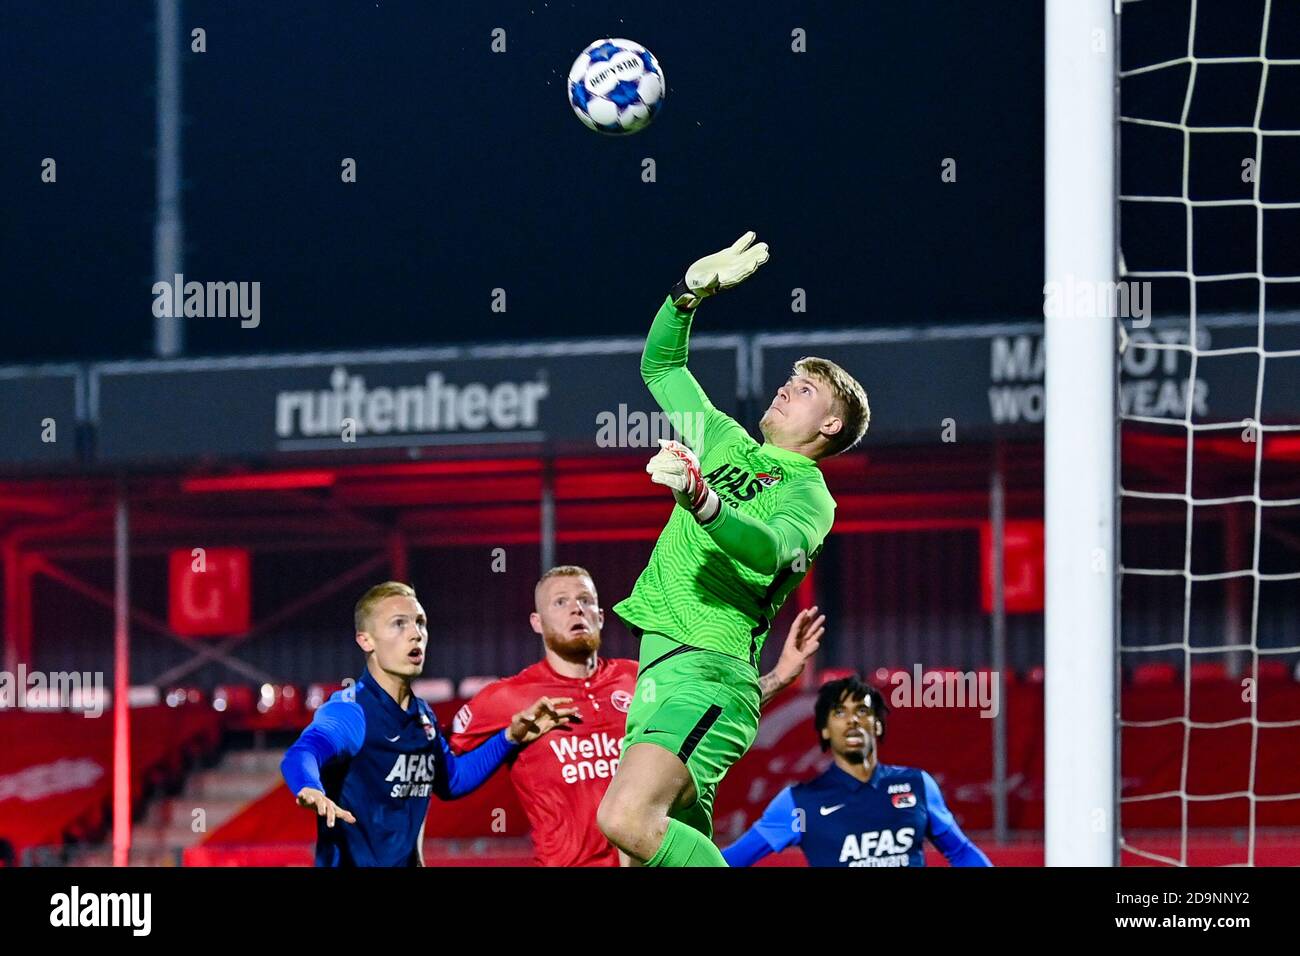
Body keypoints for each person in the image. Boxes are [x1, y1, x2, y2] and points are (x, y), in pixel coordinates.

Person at [597, 232, 870, 866]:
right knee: (642, 854)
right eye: (789, 380)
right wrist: (686, 294)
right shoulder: (722, 440)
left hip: (708, 673)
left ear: (829, 426)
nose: (785, 389)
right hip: (659, 672)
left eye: (805, 391)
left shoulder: (811, 493)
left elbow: (773, 551)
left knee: (624, 817)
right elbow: (661, 368)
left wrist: (702, 501)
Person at [450, 564, 827, 866]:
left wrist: (780, 674)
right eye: (560, 602)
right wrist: (508, 738)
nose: (575, 609)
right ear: (537, 622)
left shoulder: (640, 677)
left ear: (601, 614)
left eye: (585, 600)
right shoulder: (506, 697)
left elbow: (714, 708)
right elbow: (449, 777)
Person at [280, 580, 576, 866]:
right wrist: (309, 787)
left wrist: (510, 737)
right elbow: (303, 752)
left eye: (420, 622)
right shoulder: (352, 711)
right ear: (366, 640)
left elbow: (452, 781)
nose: (415, 634)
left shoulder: (422, 716)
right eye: (399, 623)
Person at [722, 675, 992, 867]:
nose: (852, 719)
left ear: (877, 725)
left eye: (862, 710)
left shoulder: (916, 785)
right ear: (825, 729)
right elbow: (729, 861)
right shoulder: (799, 805)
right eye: (839, 712)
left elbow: (962, 852)